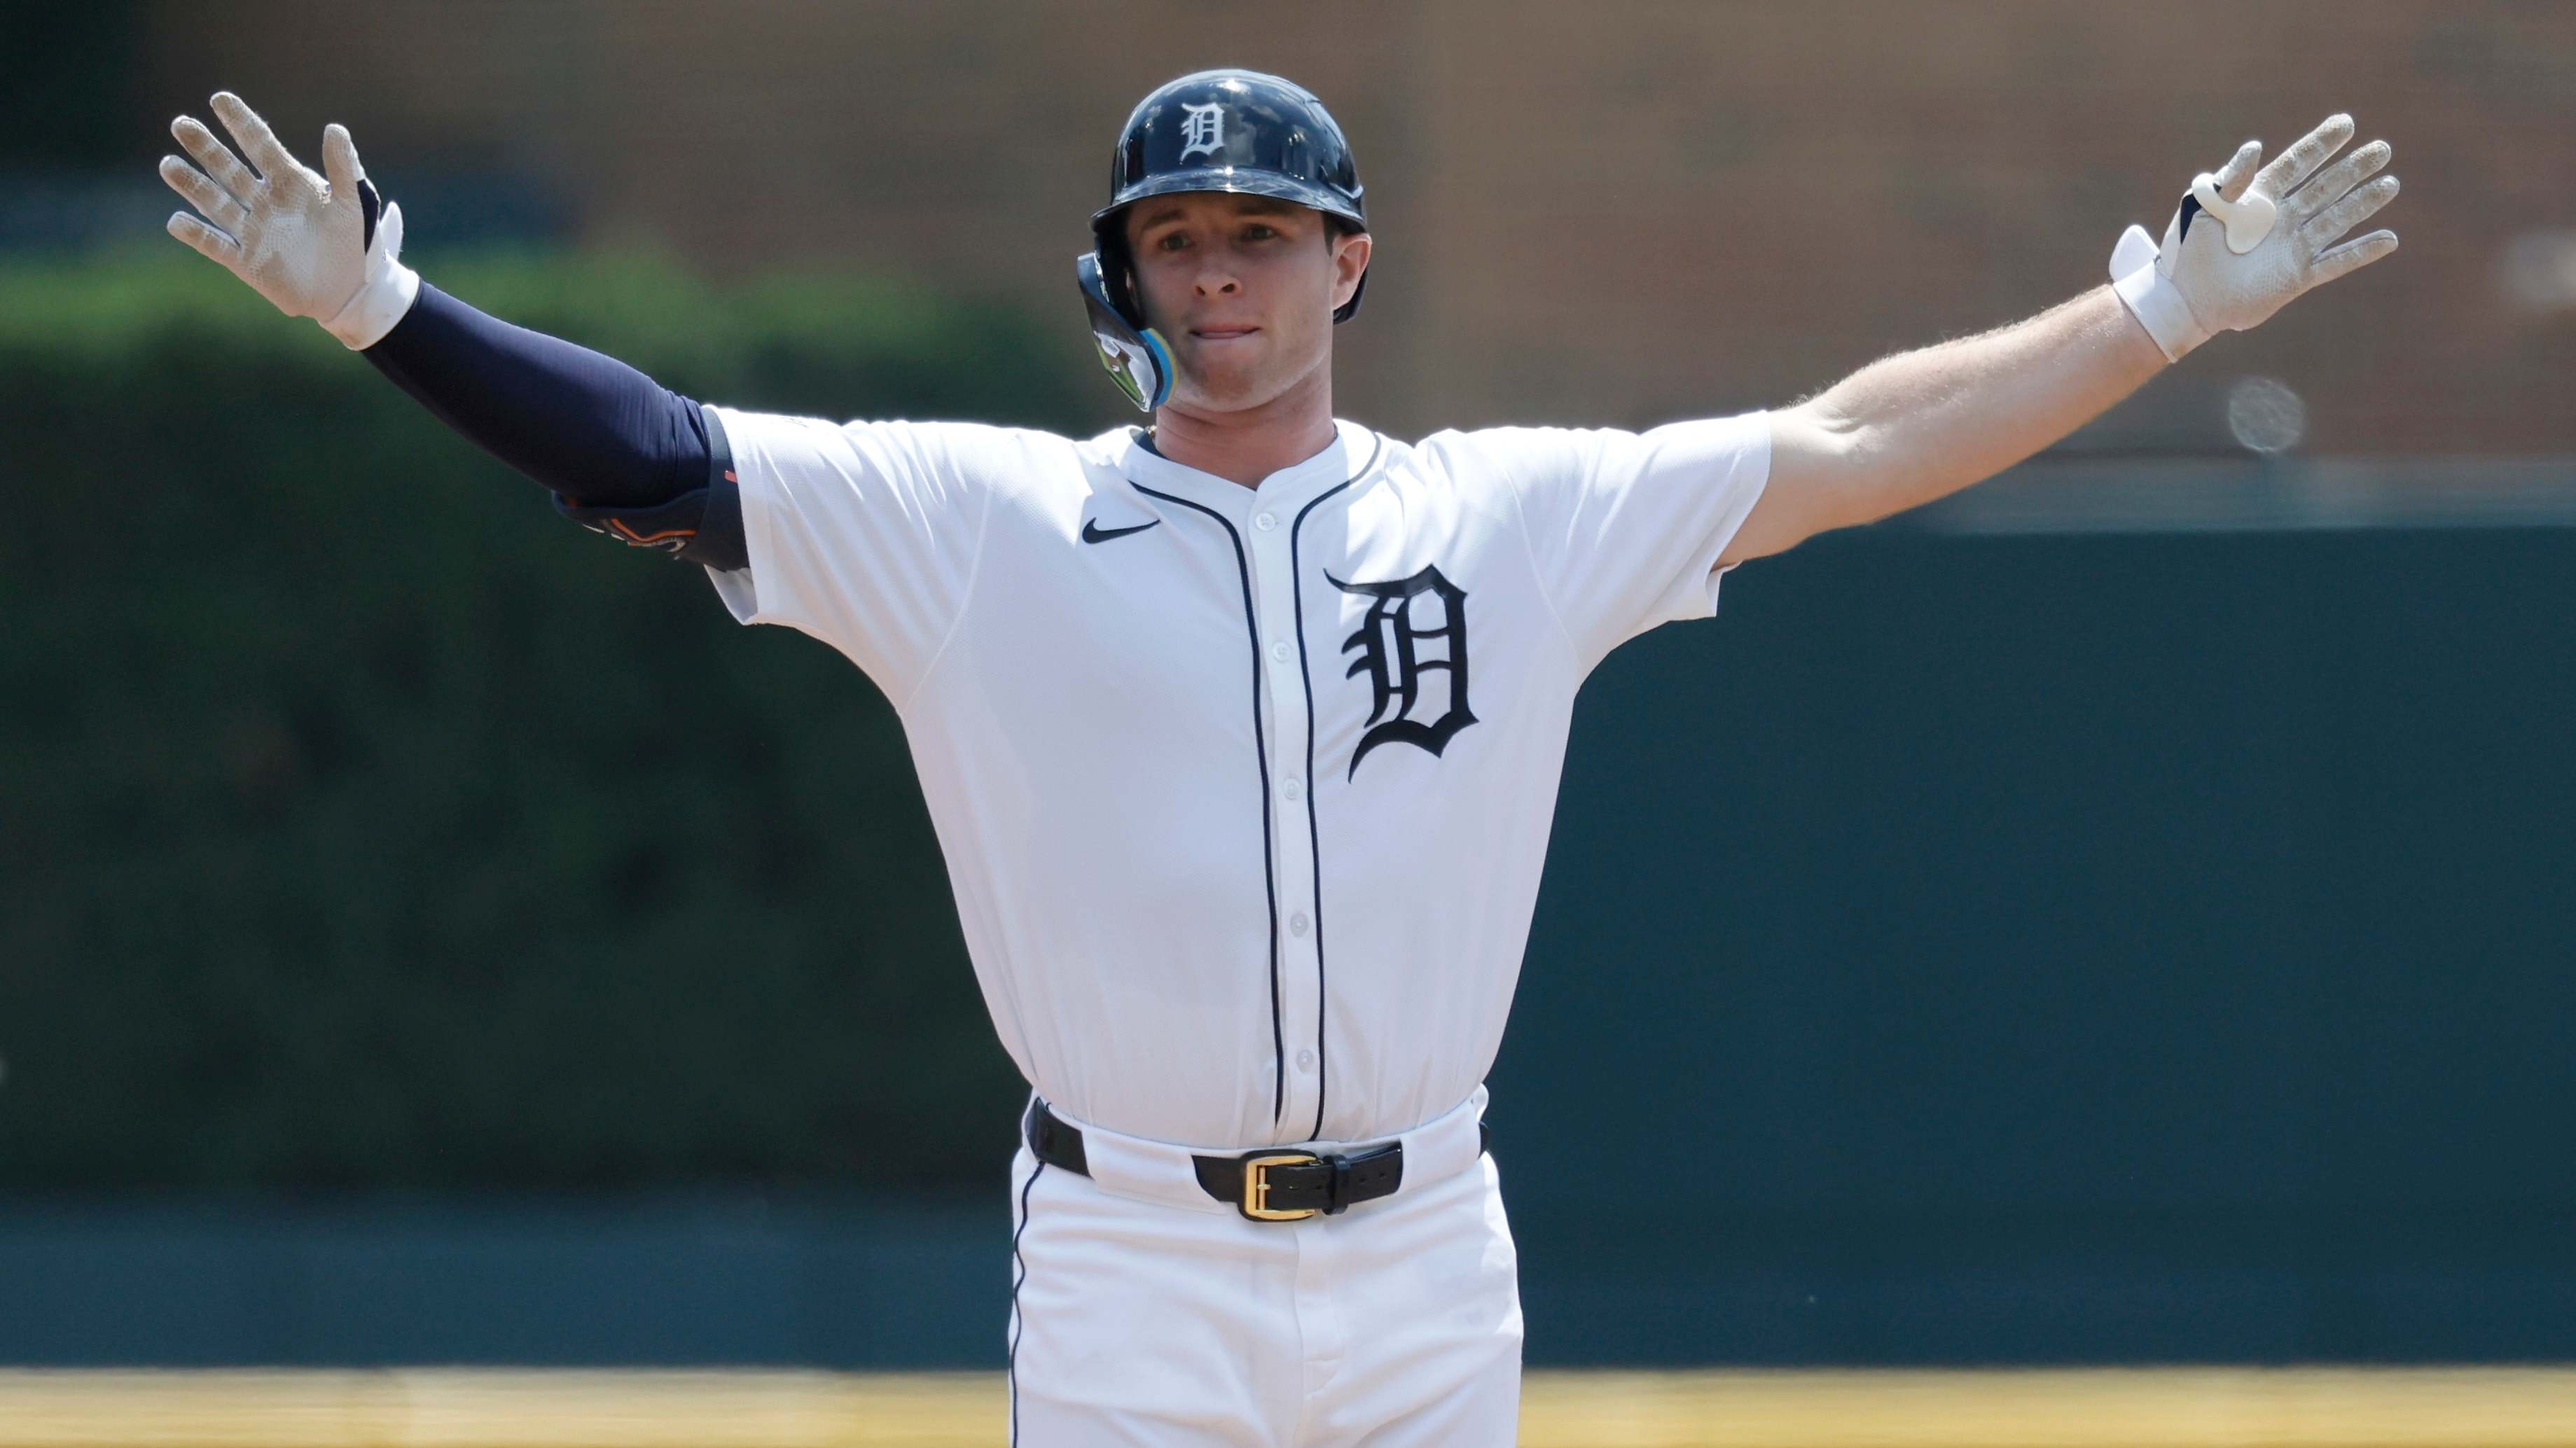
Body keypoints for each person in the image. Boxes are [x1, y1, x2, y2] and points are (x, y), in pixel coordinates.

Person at [158, 69, 2399, 1447]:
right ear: (1117, 273)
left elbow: (1849, 441)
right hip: (1135, 1264)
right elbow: (655, 449)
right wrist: (385, 311)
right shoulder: (984, 526)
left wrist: (2161, 310)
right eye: (1173, 240)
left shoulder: (1509, 516)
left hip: (1432, 1252)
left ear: (1346, 261)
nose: (1214, 275)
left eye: (1256, 236)